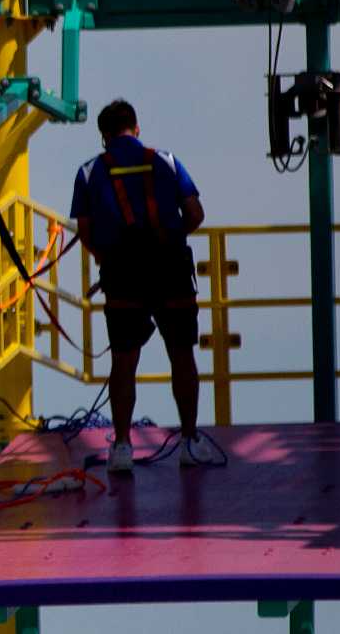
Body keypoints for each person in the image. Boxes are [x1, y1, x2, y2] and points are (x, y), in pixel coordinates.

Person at [70, 99, 222, 472]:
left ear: (104, 136)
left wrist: (108, 258)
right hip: (170, 269)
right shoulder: (166, 161)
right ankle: (190, 441)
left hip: (122, 275)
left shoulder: (89, 172)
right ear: (136, 129)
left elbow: (85, 231)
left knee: (124, 361)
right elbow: (195, 213)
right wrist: (169, 238)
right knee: (182, 355)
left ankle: (122, 447)